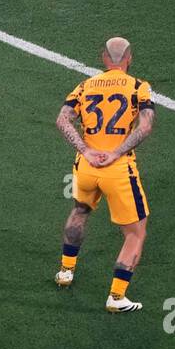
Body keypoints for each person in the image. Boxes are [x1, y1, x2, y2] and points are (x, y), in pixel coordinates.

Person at [55, 37, 155, 312]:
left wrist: (86, 151)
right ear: (129, 58)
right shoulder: (138, 87)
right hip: (118, 169)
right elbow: (145, 127)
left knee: (80, 210)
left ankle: (66, 271)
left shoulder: (85, 86)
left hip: (86, 166)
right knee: (135, 234)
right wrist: (115, 153)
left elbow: (62, 119)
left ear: (103, 57)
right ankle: (117, 296)